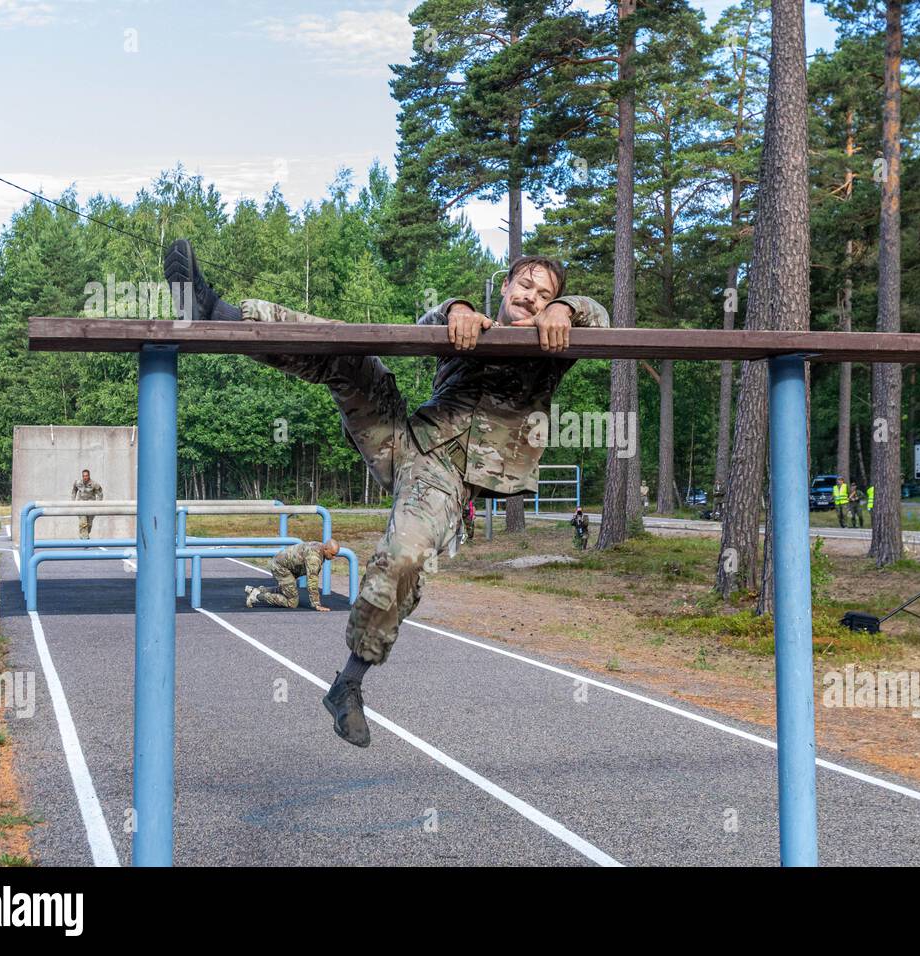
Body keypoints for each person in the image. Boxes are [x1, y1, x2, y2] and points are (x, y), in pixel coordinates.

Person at [166, 239, 609, 748]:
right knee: (348, 353)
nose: (531, 297)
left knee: (401, 560)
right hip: (403, 438)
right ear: (505, 289)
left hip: (445, 478)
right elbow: (421, 324)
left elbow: (600, 316)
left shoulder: (552, 348)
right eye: (525, 286)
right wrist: (455, 309)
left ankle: (348, 683)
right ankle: (216, 312)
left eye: (543, 293)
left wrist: (566, 309)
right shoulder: (471, 327)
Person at [246, 540, 339, 611]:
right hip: (281, 567)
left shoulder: (319, 547)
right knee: (292, 602)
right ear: (326, 549)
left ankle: (257, 590)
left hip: (286, 565)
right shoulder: (314, 557)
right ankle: (257, 596)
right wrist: (316, 604)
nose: (334, 557)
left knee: (288, 589)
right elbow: (312, 581)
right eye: (332, 554)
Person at [71, 469, 103, 539]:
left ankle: (83, 536)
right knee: (83, 523)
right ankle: (85, 540)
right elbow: (74, 491)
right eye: (83, 476)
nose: (85, 477)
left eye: (86, 476)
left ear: (89, 476)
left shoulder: (94, 484)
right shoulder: (78, 482)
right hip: (81, 505)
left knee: (89, 525)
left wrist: (98, 504)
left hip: (91, 505)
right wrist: (73, 502)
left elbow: (100, 494)